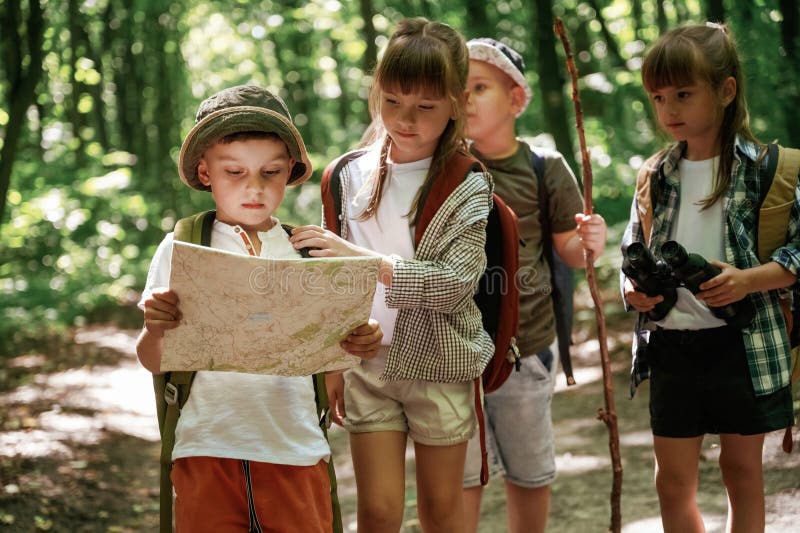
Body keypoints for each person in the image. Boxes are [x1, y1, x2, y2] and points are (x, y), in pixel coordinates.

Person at [135, 85, 383, 532]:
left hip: (295, 448)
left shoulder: (311, 252)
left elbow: (328, 374)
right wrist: (156, 328)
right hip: (206, 446)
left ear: (290, 171)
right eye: (234, 172)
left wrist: (352, 344)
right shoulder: (181, 247)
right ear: (205, 172)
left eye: (270, 172)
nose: (254, 187)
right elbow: (153, 360)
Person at [289, 18, 493, 533]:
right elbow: (326, 281)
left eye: (425, 106)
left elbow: (454, 285)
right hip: (366, 364)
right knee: (378, 513)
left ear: (455, 104)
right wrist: (330, 361)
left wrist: (362, 260)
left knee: (441, 513)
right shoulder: (345, 175)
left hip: (441, 364)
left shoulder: (465, 182)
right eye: (392, 100)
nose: (406, 118)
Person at [621, 23, 797, 533]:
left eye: (682, 93)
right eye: (657, 97)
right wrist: (633, 291)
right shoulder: (655, 174)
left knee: (741, 472)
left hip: (743, 343)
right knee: (671, 482)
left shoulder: (767, 170)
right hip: (672, 343)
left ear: (725, 91)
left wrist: (749, 280)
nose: (668, 109)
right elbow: (634, 247)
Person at [458, 38, 608, 533]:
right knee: (462, 477)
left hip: (526, 347)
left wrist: (590, 240)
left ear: (516, 98)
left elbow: (567, 249)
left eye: (479, 87)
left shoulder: (545, 167)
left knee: (528, 473)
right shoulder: (446, 167)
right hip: (454, 353)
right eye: (458, 90)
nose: (466, 99)